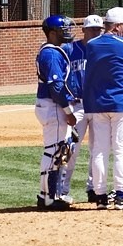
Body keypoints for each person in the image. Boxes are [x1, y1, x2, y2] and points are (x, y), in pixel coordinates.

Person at [83, 7, 123, 209]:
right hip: (121, 102)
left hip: (97, 103)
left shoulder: (91, 45)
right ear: (118, 26)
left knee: (99, 150)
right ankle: (120, 194)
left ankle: (100, 195)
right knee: (121, 150)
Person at [34, 15, 78, 210]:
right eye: (63, 29)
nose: (67, 32)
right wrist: (68, 111)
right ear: (52, 33)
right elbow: (57, 87)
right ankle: (48, 198)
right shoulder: (51, 54)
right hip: (53, 106)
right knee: (54, 151)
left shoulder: (51, 51)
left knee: (60, 150)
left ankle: (51, 195)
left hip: (50, 105)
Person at [61, 14, 103, 203]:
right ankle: (62, 189)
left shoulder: (103, 50)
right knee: (71, 149)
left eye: (98, 29)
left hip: (97, 105)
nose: (95, 32)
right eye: (92, 29)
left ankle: (94, 189)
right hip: (76, 105)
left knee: (97, 149)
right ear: (84, 30)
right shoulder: (70, 49)